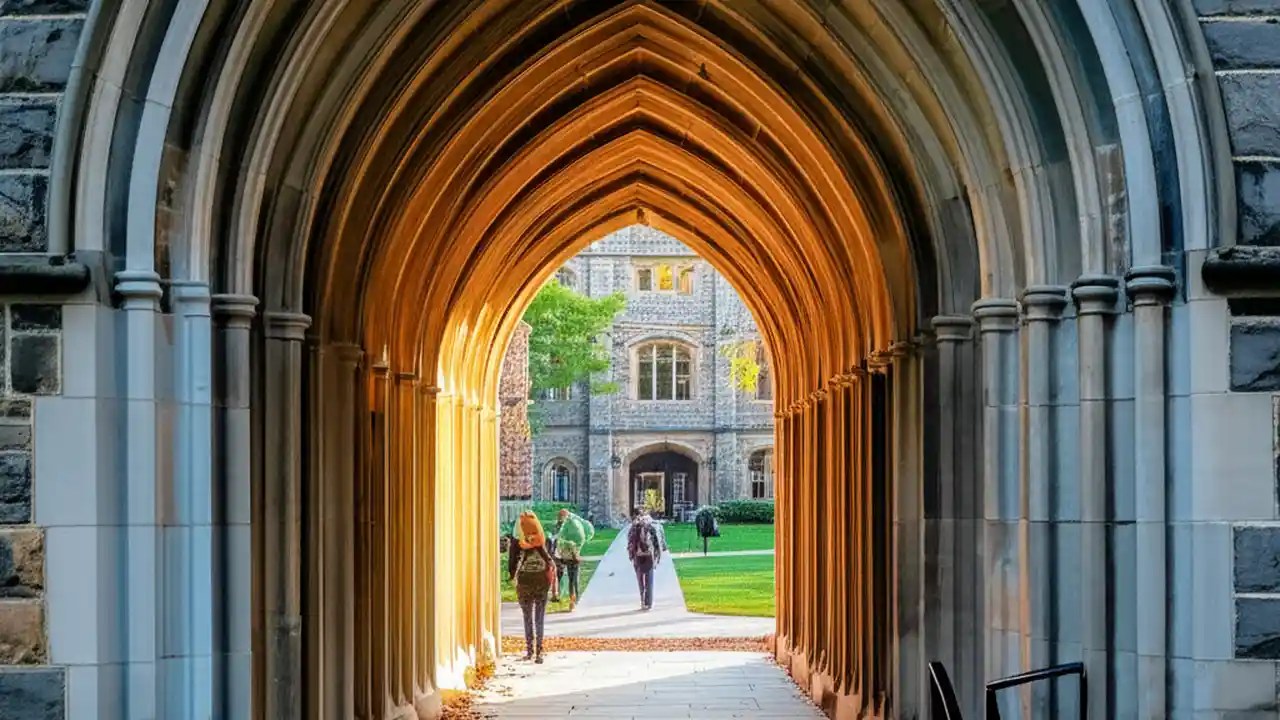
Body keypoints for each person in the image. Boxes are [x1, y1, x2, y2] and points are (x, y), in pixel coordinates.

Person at [507, 511, 555, 663]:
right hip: (542, 581)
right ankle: (539, 652)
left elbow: (512, 563)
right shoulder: (541, 540)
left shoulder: (517, 543)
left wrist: (511, 577)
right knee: (539, 617)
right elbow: (548, 559)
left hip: (525, 582)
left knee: (527, 617)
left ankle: (529, 650)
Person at [553, 508, 594, 611]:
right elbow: (586, 533)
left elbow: (559, 540)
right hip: (574, 555)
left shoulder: (564, 526)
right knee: (573, 578)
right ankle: (573, 599)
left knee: (564, 576)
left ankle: (562, 595)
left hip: (564, 555)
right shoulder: (576, 523)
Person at [626, 507, 663, 611]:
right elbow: (658, 541)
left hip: (637, 555)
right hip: (649, 555)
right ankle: (649, 602)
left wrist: (631, 554)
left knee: (640, 578)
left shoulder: (634, 526)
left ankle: (642, 599)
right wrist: (658, 554)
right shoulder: (651, 524)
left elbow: (630, 542)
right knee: (649, 578)